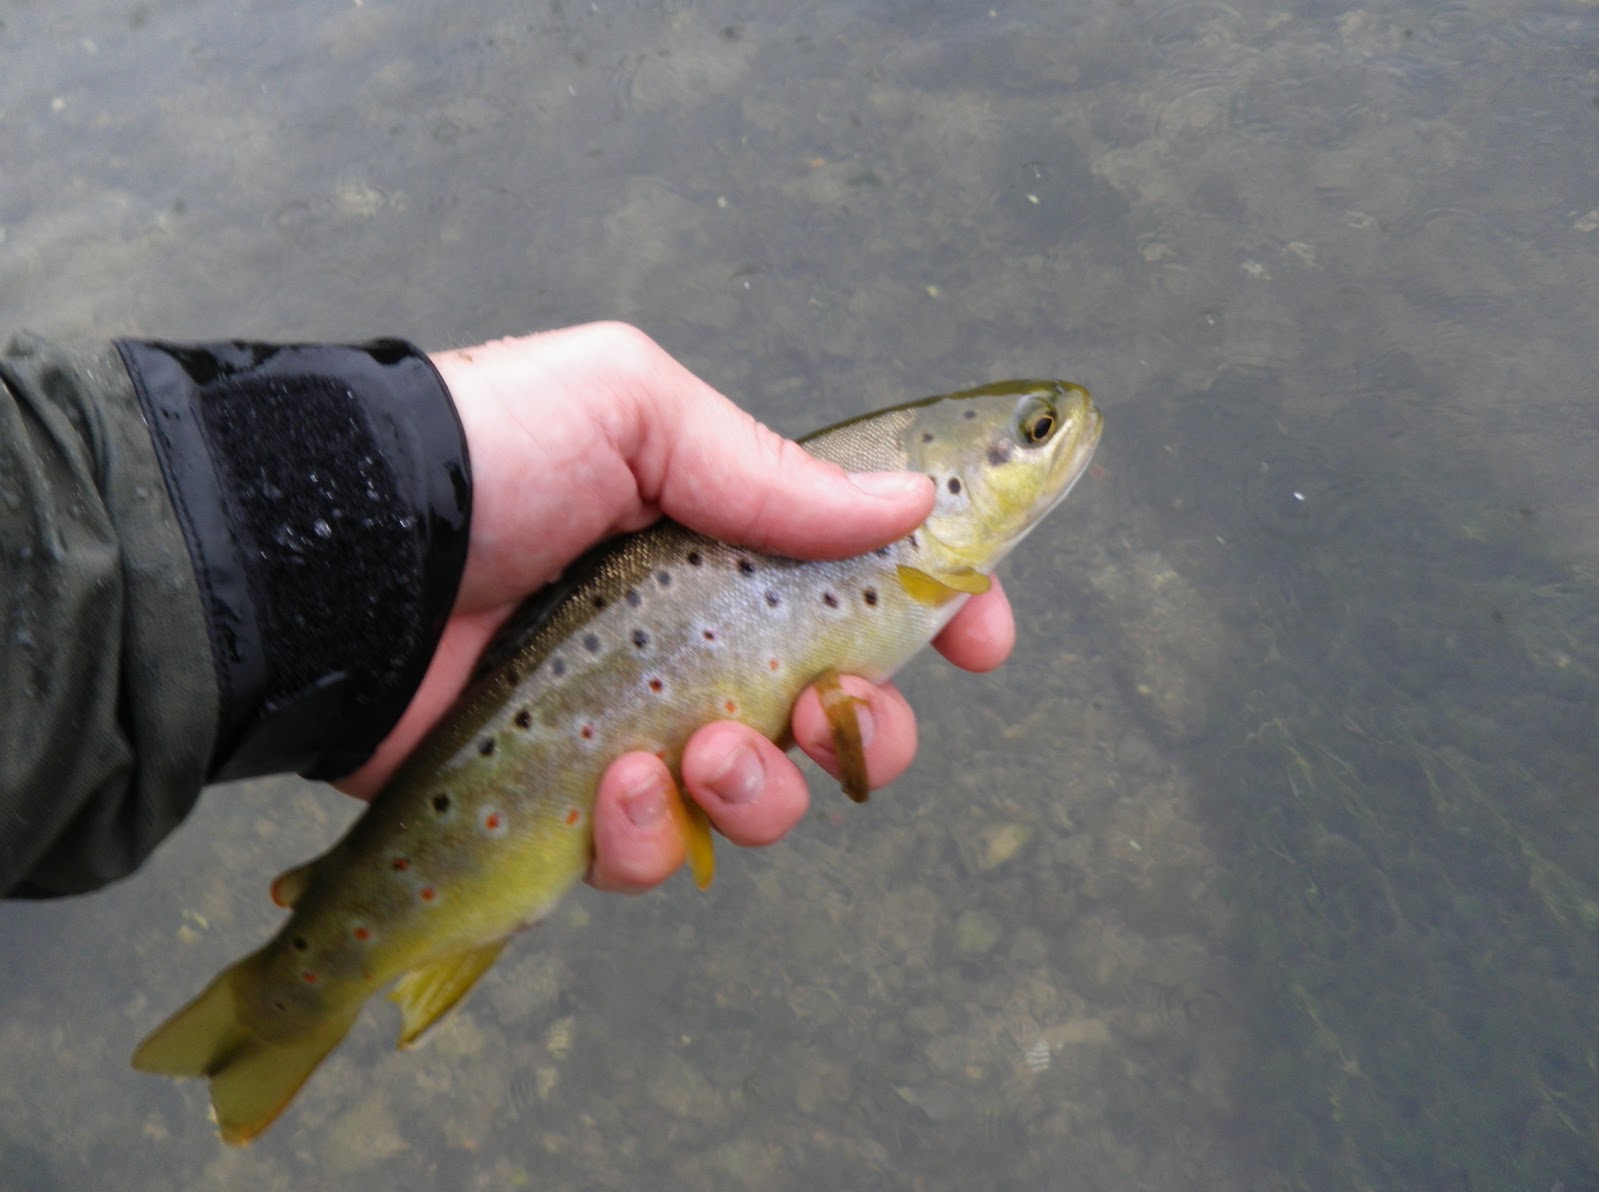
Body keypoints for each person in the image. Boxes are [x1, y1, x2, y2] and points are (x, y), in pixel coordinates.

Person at [0, 322, 1014, 899]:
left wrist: (343, 572)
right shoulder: (915, 544)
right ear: (944, 487)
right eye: (1038, 433)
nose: (1063, 434)